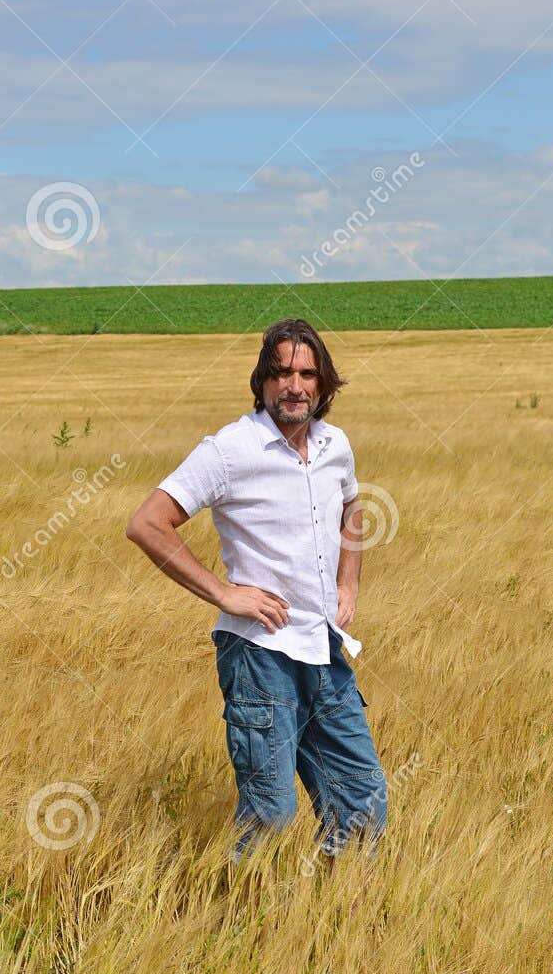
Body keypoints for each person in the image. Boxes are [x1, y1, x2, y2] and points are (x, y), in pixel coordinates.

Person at [126, 317, 388, 860]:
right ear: (262, 381)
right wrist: (225, 595)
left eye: (307, 374)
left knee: (362, 803)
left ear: (324, 384)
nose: (295, 386)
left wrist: (348, 583)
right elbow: (147, 523)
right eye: (282, 373)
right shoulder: (230, 449)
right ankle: (237, 920)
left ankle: (327, 923)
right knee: (271, 815)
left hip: (323, 648)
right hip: (259, 653)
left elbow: (352, 509)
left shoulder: (335, 445)